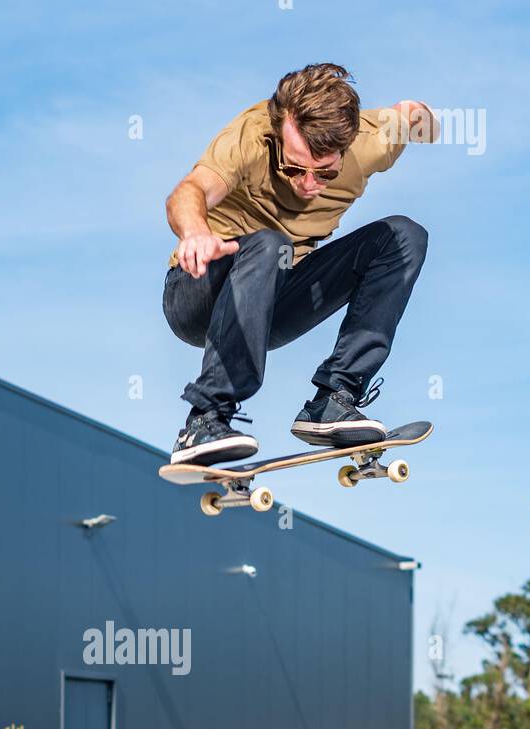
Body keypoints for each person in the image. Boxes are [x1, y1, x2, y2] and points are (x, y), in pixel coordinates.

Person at [163, 62, 438, 465]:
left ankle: (334, 398)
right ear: (279, 133)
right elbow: (189, 191)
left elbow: (422, 124)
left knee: (404, 235)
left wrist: (419, 117)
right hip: (200, 289)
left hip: (276, 300)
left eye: (325, 174)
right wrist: (195, 233)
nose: (309, 186)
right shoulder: (250, 136)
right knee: (272, 245)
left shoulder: (371, 140)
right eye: (295, 168)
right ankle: (205, 418)